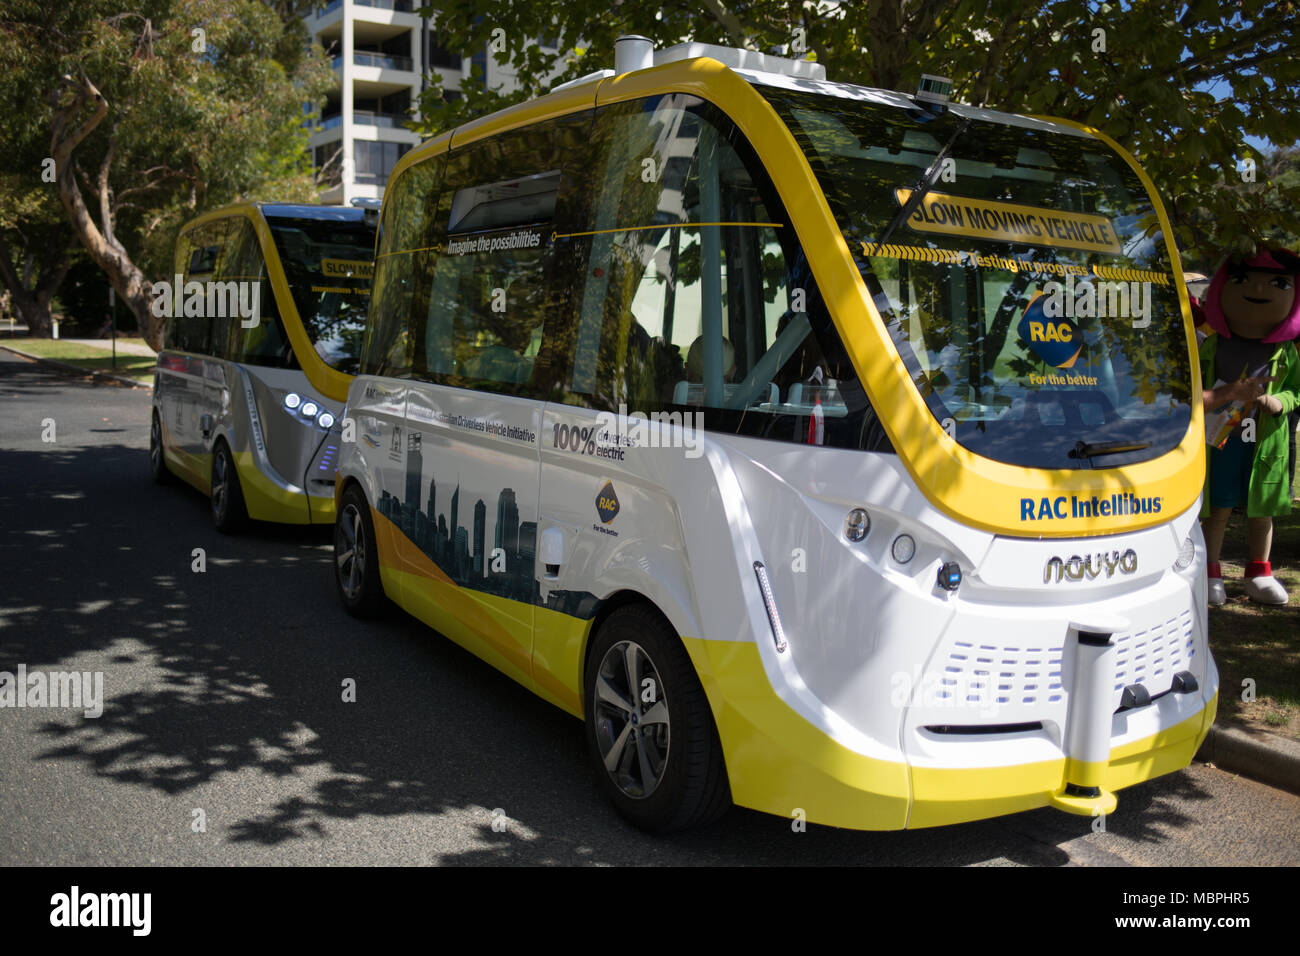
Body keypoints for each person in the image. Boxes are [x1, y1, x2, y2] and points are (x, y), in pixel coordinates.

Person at [1199, 247, 1300, 606]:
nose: (1258, 291)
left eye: (1276, 283)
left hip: (1266, 440)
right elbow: (1194, 393)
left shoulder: (1286, 350)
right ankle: (1211, 573)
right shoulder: (1212, 345)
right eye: (1241, 280)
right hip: (1221, 438)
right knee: (1219, 507)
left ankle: (1259, 573)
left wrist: (1279, 402)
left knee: (1263, 509)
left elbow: (1296, 392)